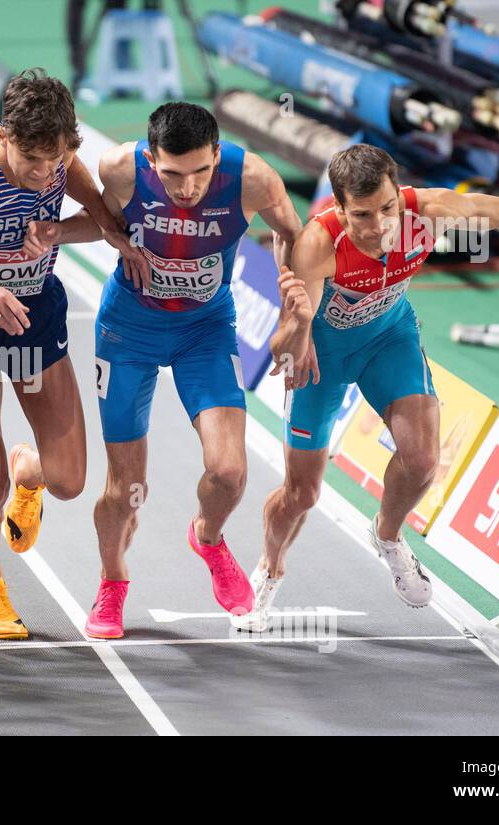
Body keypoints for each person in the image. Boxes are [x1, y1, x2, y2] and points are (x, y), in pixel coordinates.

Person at [244, 143, 499, 632]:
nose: (379, 227)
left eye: (387, 209)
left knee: (422, 461)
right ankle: (270, 567)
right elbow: (285, 340)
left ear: (399, 194)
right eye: (363, 216)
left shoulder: (427, 211)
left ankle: (388, 537)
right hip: (323, 358)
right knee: (301, 496)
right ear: (339, 208)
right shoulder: (317, 244)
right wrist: (298, 326)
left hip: (388, 340)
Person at [0, 68, 141, 640]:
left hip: (34, 317)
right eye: (32, 161)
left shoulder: (60, 158)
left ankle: (30, 469)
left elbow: (103, 223)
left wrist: (58, 233)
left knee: (68, 481)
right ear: (3, 137)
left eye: (56, 160)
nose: (45, 173)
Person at [85, 101, 302, 639]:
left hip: (204, 331)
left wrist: (293, 306)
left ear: (217, 153)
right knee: (126, 487)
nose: (187, 188)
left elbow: (293, 233)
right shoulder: (118, 167)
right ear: (151, 159)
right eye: (173, 174)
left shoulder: (252, 178)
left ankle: (207, 536)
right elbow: (100, 215)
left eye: (201, 171)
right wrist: (114, 239)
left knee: (229, 472)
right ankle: (112, 583)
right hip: (127, 331)